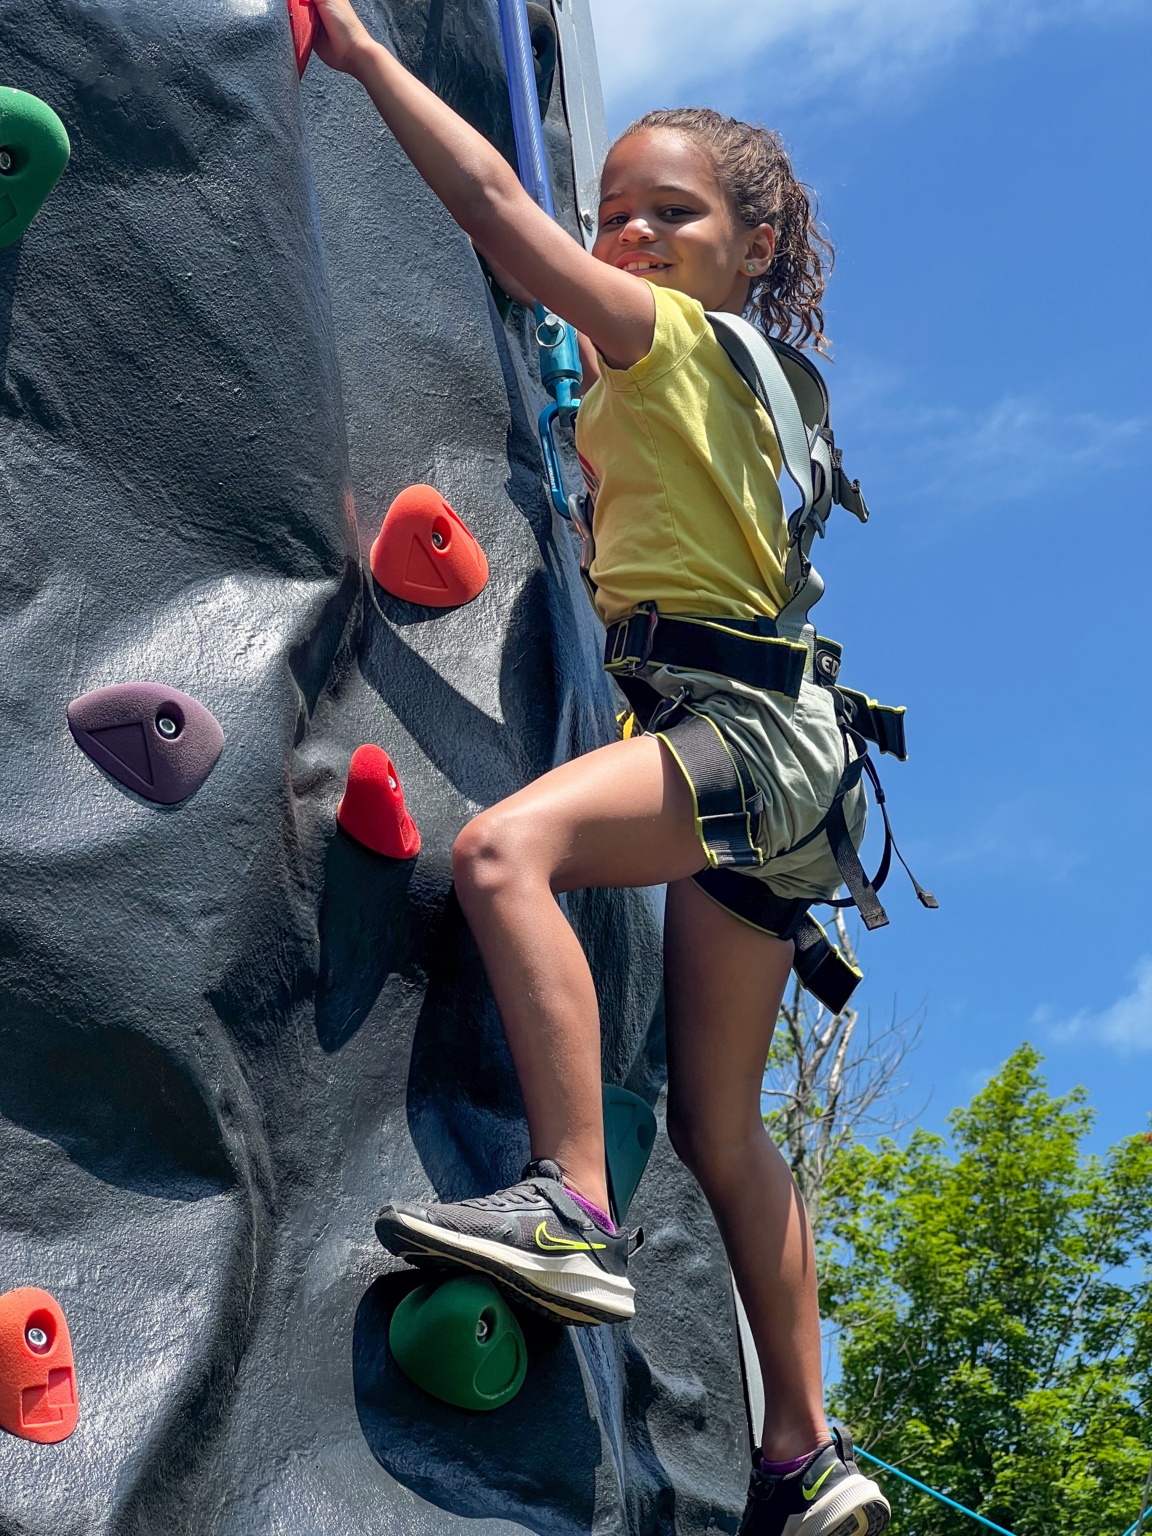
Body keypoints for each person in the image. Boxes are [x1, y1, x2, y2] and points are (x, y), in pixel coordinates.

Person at [312, 3, 891, 1531]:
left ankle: (572, 1204)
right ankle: (803, 1456)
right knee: (718, 1124)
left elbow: (505, 212)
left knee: (505, 856)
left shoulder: (678, 336)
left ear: (754, 244)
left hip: (741, 735)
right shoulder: (764, 392)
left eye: (672, 215)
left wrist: (369, 60)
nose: (627, 236)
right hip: (796, 777)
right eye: (613, 214)